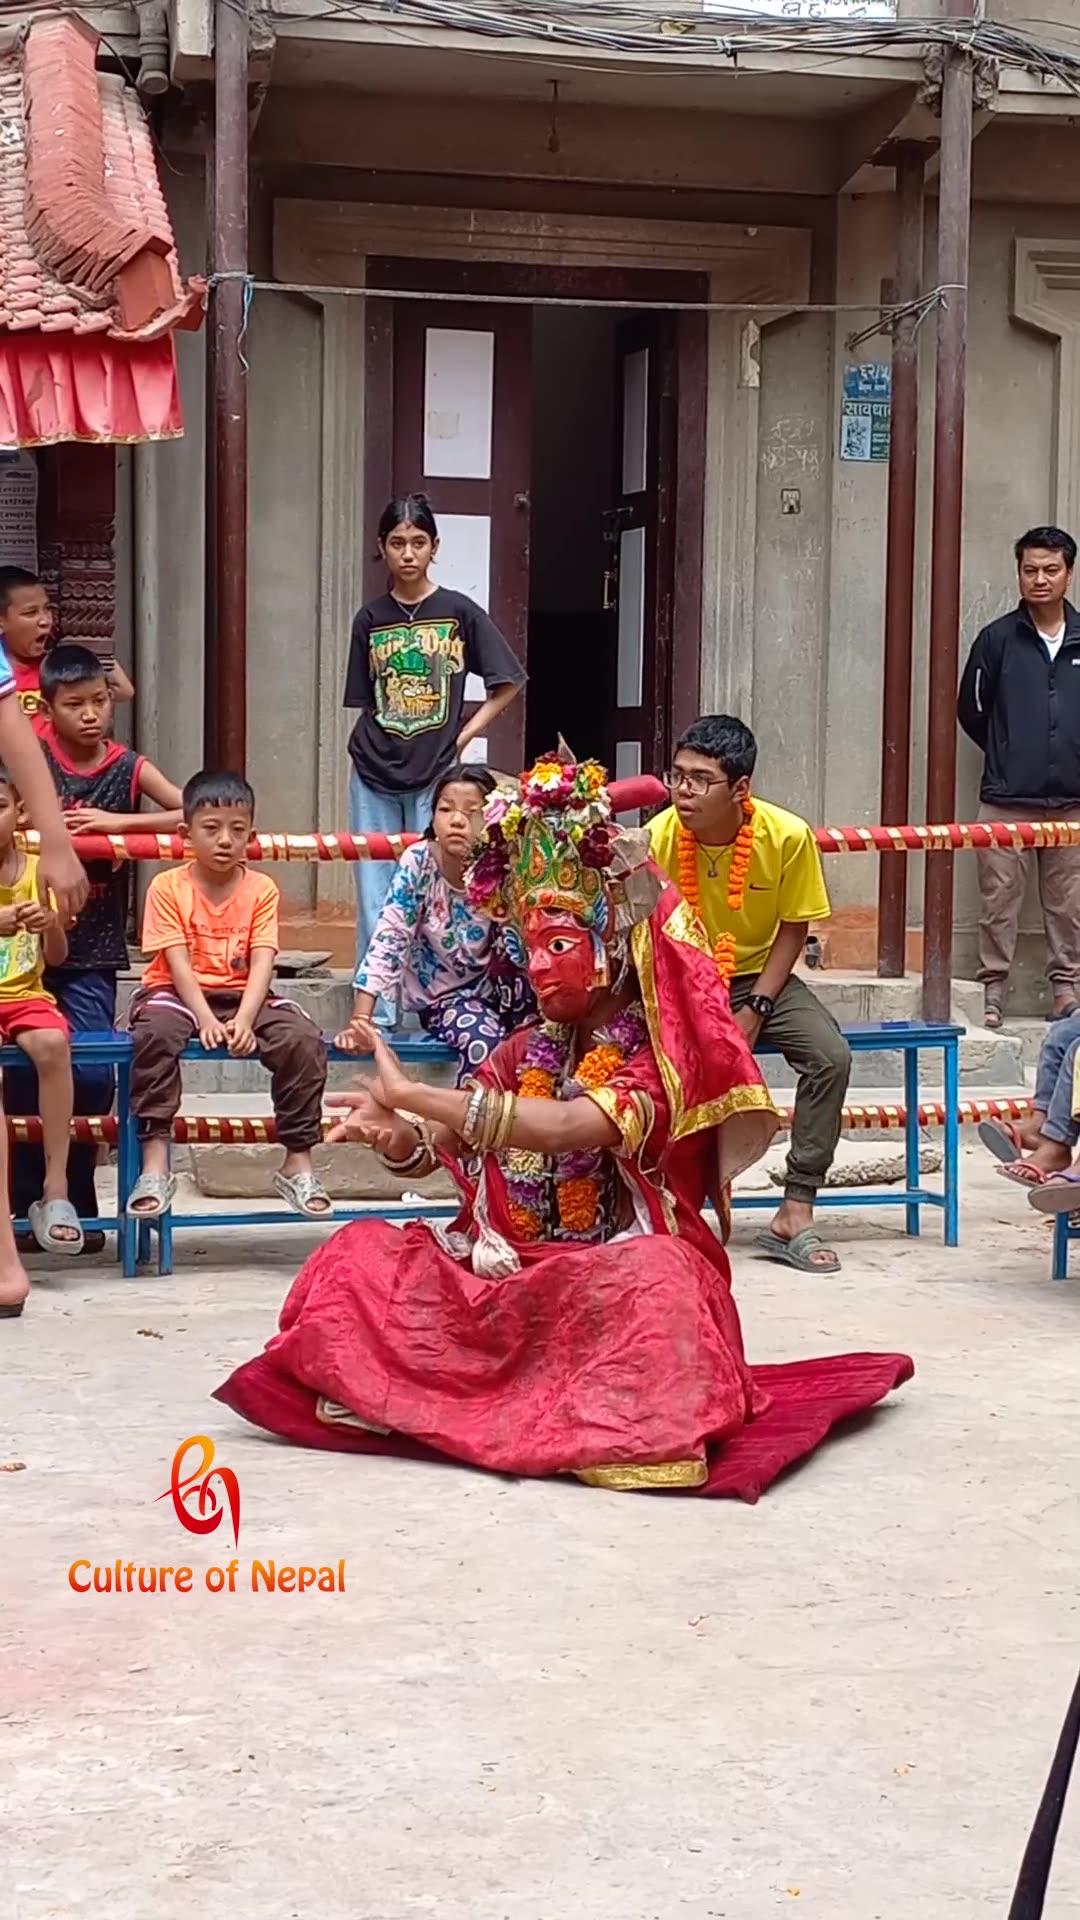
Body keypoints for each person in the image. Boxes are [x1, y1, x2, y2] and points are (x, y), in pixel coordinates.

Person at [214, 754, 911, 1496]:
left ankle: (496, 1403)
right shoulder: (525, 1048)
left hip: (603, 1280)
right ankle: (485, 1398)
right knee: (356, 1254)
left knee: (661, 1284)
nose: (537, 968)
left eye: (556, 947)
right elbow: (445, 1145)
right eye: (527, 946)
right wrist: (398, 1135)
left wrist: (421, 1097)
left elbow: (570, 1127)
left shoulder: (653, 1057)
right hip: (506, 1275)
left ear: (611, 948)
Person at [646, 715, 850, 1275]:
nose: (683, 791)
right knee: (648, 1064)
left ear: (740, 789)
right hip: (683, 977)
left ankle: (796, 1208)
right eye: (678, 775)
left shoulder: (786, 836)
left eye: (700, 779)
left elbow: (793, 926)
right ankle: (666, 1209)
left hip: (761, 975)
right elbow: (650, 932)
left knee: (830, 1056)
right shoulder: (660, 836)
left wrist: (757, 1006)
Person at [4, 645, 183, 1247]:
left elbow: (191, 813)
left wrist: (118, 825)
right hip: (22, 949)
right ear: (45, 709)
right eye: (74, 704)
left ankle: (76, 1202)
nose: (89, 715)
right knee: (21, 1078)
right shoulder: (32, 766)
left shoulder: (127, 766)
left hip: (95, 944)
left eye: (99, 702)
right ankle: (21, 1205)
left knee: (90, 1077)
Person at [344, 494, 526, 1022]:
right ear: (382, 548)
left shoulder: (459, 612)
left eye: (418, 543)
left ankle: (433, 1000)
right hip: (373, 769)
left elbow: (507, 682)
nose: (408, 553)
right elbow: (367, 700)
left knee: (435, 884)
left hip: (436, 778)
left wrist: (463, 737)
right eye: (397, 543)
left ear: (435, 547)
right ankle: (375, 1015)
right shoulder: (369, 619)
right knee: (375, 891)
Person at [125, 770, 332, 1222]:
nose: (225, 840)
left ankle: (297, 1159)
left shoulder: (261, 889)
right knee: (155, 1033)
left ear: (251, 836)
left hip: (242, 995)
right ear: (186, 834)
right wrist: (205, 1019)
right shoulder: (166, 887)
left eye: (237, 831)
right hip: (176, 993)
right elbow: (176, 962)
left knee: (302, 1037)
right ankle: (156, 1160)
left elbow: (263, 960)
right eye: (211, 829)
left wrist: (243, 1017)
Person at [336, 764, 534, 1084]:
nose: (457, 821)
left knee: (543, 1042)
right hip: (446, 999)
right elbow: (392, 935)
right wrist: (362, 1018)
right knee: (485, 1042)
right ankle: (467, 1129)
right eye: (445, 809)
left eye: (473, 812)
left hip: (510, 990)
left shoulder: (508, 863)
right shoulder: (419, 861)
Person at [958, 526, 1080, 1029]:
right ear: (1019, 573)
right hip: (1006, 799)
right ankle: (993, 993)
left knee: (1069, 905)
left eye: (1051, 569)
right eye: (1030, 570)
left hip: (1073, 802)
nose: (1040, 579)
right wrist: (1009, 750)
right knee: (999, 901)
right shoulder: (997, 639)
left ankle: (1066, 993)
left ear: (1068, 574)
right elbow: (971, 708)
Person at [0, 643, 88, 1317]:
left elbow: (8, 715)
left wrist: (55, 846)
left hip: (25, 996)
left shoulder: (27, 862)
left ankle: (14, 1238)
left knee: (52, 1047)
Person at [0, 765, 84, 1260]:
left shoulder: (37, 869)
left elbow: (56, 957)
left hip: (27, 996)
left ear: (20, 811)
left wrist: (51, 922)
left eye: (1, 807)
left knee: (53, 1044)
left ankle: (55, 1191)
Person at [0, 566, 134, 736]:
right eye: (30, 613)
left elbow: (124, 690)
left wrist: (85, 645)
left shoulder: (56, 666)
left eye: (47, 609)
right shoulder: (3, 672)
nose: (45, 620)